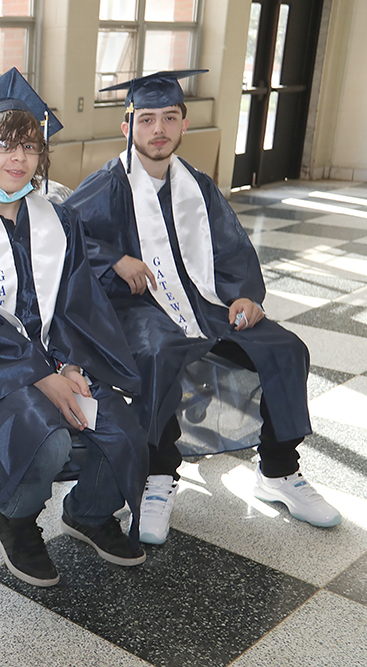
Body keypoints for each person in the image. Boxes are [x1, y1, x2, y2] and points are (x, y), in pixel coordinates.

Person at [66, 70, 342, 545]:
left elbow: (231, 249)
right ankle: (158, 476)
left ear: (184, 126)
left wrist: (245, 296)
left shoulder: (198, 186)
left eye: (169, 118)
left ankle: (278, 472)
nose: (158, 130)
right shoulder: (107, 185)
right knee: (160, 351)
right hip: (135, 306)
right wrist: (114, 258)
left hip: (205, 301)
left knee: (286, 346)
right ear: (127, 126)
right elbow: (65, 239)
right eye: (147, 118)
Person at [0, 69, 149, 588]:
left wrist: (69, 363)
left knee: (127, 427)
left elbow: (77, 304)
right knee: (47, 441)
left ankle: (88, 513)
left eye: (30, 146)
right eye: (3, 145)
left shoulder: (59, 222)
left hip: (57, 360)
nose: (18, 158)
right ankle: (16, 521)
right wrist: (41, 376)